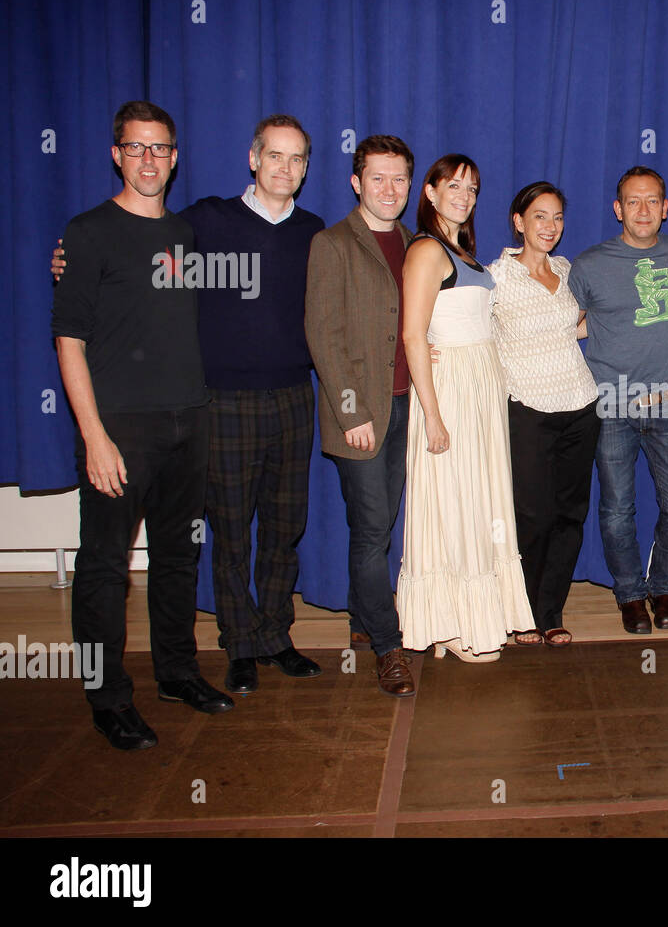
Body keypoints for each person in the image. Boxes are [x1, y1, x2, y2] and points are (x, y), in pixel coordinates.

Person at [51, 116, 327, 695]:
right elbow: (118, 260)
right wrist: (67, 262)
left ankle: (274, 635)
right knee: (227, 532)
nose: (284, 168)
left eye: (296, 158)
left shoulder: (313, 231)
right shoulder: (204, 221)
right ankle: (239, 643)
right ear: (253, 159)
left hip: (291, 397)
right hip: (219, 402)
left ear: (305, 167)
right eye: (274, 156)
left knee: (283, 527)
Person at [52, 100, 233, 750]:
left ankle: (177, 673)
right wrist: (94, 435)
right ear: (117, 154)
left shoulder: (184, 235)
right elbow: (68, 341)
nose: (149, 159)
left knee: (180, 556)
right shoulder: (87, 232)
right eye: (137, 148)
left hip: (190, 420)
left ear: (175, 156)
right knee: (104, 568)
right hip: (119, 429)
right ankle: (106, 697)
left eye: (160, 148)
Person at [395, 155, 533, 661]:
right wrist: (432, 414)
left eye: (472, 188)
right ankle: (449, 625)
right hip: (448, 388)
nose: (464, 195)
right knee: (449, 501)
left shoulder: (465, 254)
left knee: (479, 501)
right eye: (453, 185)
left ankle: (477, 617)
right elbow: (413, 333)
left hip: (480, 388)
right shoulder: (427, 251)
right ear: (429, 193)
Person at [305, 135, 417, 696]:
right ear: (356, 182)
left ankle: (360, 619)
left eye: (399, 178)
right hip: (361, 414)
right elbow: (323, 335)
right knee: (373, 530)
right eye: (378, 178)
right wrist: (351, 412)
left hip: (405, 406)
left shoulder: (413, 241)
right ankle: (387, 646)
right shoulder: (333, 244)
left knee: (381, 523)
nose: (390, 189)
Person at [568, 167, 668, 636]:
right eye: (632, 202)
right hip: (613, 403)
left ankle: (664, 588)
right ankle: (629, 595)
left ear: (665, 207)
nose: (643, 210)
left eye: (652, 200)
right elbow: (567, 325)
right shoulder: (590, 263)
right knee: (618, 508)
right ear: (617, 209)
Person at [487, 182, 600, 645]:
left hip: (580, 405)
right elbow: (471, 332)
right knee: (531, 515)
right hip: (527, 408)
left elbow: (577, 327)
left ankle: (550, 611)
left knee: (570, 515)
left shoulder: (566, 269)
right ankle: (522, 611)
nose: (550, 227)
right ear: (519, 221)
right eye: (540, 216)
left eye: (556, 218)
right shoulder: (494, 276)